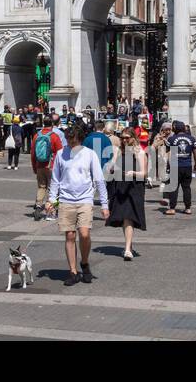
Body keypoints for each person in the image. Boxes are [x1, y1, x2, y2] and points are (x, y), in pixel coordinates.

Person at [46, 124, 110, 285]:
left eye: (73, 141)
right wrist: (51, 199)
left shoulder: (90, 154)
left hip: (85, 199)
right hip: (66, 199)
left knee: (84, 234)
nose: (70, 144)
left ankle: (85, 262)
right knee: (69, 235)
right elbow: (55, 179)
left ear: (79, 140)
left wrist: (104, 204)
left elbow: (99, 180)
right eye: (68, 140)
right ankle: (73, 271)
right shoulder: (61, 154)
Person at [105, 128, 147, 260]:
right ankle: (128, 245)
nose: (124, 140)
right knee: (124, 218)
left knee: (128, 217)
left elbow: (144, 173)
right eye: (122, 137)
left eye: (127, 138)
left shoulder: (140, 152)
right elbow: (112, 167)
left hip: (134, 188)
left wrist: (133, 173)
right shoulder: (119, 151)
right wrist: (112, 166)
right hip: (120, 187)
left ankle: (128, 249)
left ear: (134, 138)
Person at [31, 117, 64, 220]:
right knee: (52, 189)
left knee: (41, 187)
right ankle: (51, 212)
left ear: (43, 123)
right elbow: (60, 152)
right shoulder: (54, 136)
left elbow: (32, 153)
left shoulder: (36, 136)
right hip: (51, 166)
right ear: (53, 124)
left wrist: (34, 167)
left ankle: (38, 205)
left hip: (40, 165)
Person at [162, 120, 196, 215]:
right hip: (187, 165)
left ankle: (172, 208)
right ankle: (188, 208)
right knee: (186, 187)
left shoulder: (172, 139)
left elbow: (168, 152)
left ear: (175, 129)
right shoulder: (192, 139)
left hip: (175, 165)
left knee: (174, 188)